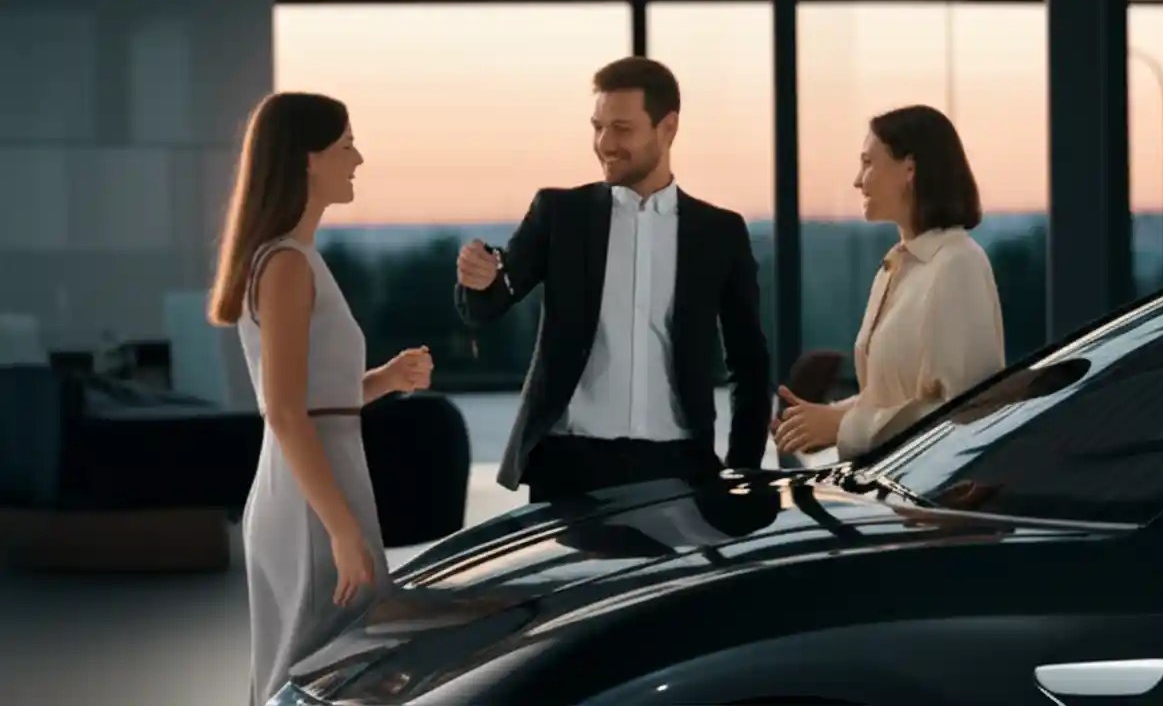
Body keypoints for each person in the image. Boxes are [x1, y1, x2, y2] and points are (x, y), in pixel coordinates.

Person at [454, 56, 771, 502]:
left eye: (622, 128)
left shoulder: (718, 232)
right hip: (569, 468)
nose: (605, 143)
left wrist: (742, 472)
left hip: (678, 466)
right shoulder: (559, 214)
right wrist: (477, 277)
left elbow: (749, 362)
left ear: (668, 127)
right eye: (597, 126)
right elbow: (486, 307)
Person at [206, 92, 433, 706]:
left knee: (331, 671)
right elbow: (283, 411)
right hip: (310, 501)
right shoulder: (285, 264)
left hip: (319, 487)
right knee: (317, 676)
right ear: (307, 159)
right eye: (346, 145)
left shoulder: (298, 259)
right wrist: (339, 527)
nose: (358, 157)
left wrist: (385, 378)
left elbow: (310, 400)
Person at [773, 104, 1005, 461]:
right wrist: (825, 418)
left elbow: (969, 413)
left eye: (868, 163)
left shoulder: (959, 265)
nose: (857, 179)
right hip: (889, 491)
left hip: (935, 504)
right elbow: (889, 399)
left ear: (909, 169)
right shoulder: (895, 267)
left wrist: (841, 426)